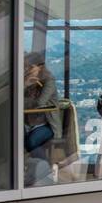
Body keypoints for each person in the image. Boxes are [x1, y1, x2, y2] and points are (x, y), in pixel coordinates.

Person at [24, 52, 60, 185]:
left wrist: (25, 100)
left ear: (39, 66)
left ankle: (45, 172)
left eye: (30, 66)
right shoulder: (27, 80)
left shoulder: (48, 81)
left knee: (32, 142)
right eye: (27, 66)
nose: (28, 69)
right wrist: (26, 83)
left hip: (46, 124)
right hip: (28, 123)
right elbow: (16, 99)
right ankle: (32, 173)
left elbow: (40, 102)